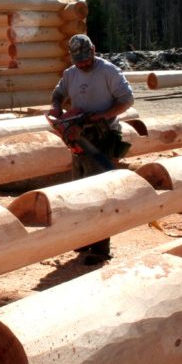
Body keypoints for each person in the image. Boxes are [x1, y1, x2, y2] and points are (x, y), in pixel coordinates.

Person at [48, 34, 134, 264]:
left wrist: (102, 116)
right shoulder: (70, 74)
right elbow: (58, 94)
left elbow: (127, 99)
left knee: (99, 191)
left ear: (94, 50)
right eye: (79, 60)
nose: (83, 63)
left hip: (103, 137)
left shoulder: (109, 71)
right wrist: (56, 108)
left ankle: (100, 247)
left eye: (86, 59)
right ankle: (84, 238)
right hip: (78, 135)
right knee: (79, 189)